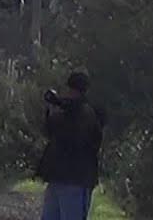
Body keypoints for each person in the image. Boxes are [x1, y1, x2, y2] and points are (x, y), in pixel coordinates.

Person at [36, 71, 106, 220]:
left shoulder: (81, 113)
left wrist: (55, 110)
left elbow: (58, 133)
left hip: (71, 178)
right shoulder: (83, 112)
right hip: (68, 179)